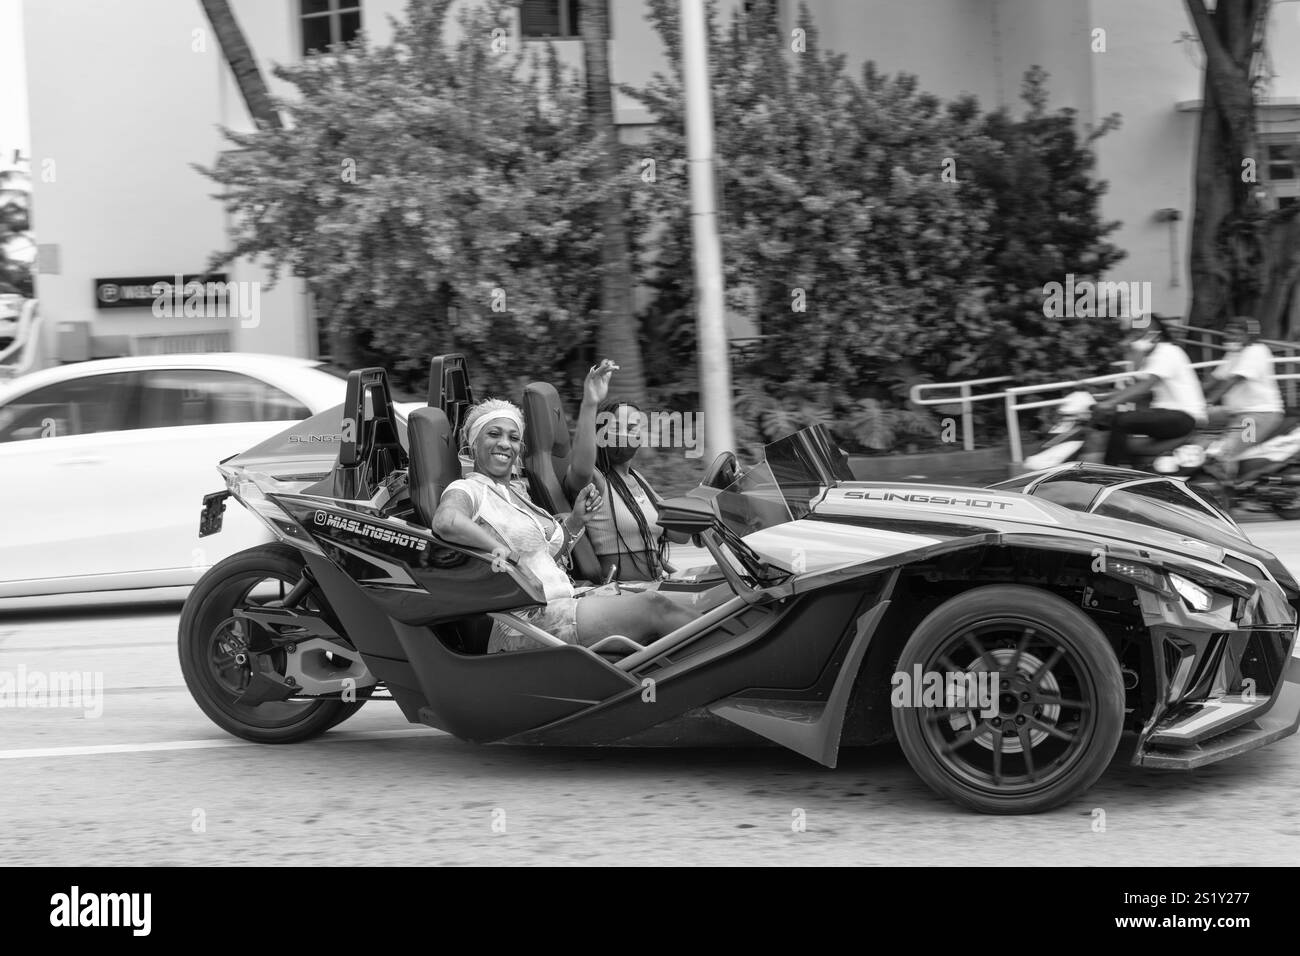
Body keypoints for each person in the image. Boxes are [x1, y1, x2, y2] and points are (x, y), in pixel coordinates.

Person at [431, 397, 697, 653]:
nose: (505, 444)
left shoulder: (518, 496)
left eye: (513, 438)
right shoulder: (468, 489)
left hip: (563, 602)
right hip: (523, 621)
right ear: (473, 442)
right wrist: (512, 558)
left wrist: (576, 520)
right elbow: (447, 521)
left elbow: (547, 558)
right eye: (494, 434)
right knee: (654, 606)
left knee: (692, 598)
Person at [566, 359, 693, 582]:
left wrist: (706, 502)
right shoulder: (595, 479)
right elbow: (581, 462)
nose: (624, 434)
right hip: (622, 591)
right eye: (615, 428)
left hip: (655, 584)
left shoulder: (638, 480)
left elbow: (678, 534)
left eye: (632, 428)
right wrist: (590, 403)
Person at [1086, 313, 1207, 467]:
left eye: (1138, 332)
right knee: (1113, 423)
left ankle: (1110, 469)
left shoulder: (1167, 352)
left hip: (1184, 416)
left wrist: (1110, 403)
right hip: (1168, 415)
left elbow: (1143, 388)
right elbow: (1136, 390)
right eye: (1132, 332)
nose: (1134, 337)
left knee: (1122, 420)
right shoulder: (1153, 357)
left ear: (1155, 335)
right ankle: (1129, 465)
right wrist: (1097, 399)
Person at [1204, 316, 1283, 478]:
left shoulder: (1256, 351)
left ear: (1250, 335)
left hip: (1258, 415)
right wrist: (1189, 403)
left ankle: (1227, 491)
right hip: (1232, 411)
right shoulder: (1233, 353)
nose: (1229, 337)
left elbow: (1235, 379)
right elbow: (1214, 379)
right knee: (1191, 419)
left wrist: (1208, 401)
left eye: (1235, 333)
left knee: (1225, 452)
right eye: (1227, 332)